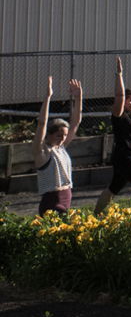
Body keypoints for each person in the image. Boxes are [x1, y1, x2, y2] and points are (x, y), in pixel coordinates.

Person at [94, 57, 131, 214]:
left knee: (113, 188)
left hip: (127, 156)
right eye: (130, 100)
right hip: (124, 157)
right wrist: (119, 73)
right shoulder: (119, 115)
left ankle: (95, 215)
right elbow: (119, 95)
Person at [34, 77, 82, 215]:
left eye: (65, 136)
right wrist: (48, 97)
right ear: (48, 135)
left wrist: (78, 98)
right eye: (58, 135)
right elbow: (42, 123)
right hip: (52, 201)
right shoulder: (42, 152)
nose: (62, 139)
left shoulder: (61, 148)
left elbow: (76, 122)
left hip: (67, 197)